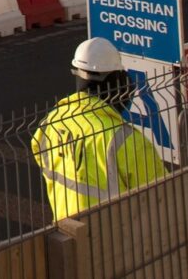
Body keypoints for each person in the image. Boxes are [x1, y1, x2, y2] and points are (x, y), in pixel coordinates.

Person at [30, 38, 165, 221]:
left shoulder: (50, 124)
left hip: (66, 232)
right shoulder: (125, 139)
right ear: (116, 81)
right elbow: (164, 194)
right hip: (116, 236)